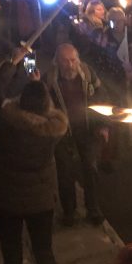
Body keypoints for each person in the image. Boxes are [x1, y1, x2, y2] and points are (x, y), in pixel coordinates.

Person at [0, 47, 68, 264]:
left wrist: (12, 62)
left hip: (6, 199)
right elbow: (52, 107)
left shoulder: (8, 120)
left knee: (12, 261)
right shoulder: (52, 131)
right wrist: (41, 85)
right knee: (45, 254)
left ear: (21, 102)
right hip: (40, 199)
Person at [45, 43, 110, 226]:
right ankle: (69, 212)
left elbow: (102, 98)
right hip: (62, 132)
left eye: (73, 60)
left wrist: (104, 125)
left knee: (90, 168)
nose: (70, 65)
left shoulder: (88, 74)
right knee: (65, 172)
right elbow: (41, 105)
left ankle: (93, 208)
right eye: (65, 61)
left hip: (87, 129)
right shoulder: (50, 79)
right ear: (57, 61)